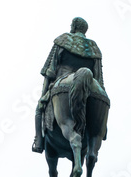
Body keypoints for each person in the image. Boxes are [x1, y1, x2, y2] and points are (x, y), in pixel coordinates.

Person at [33, 17, 106, 153]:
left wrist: (43, 96)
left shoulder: (63, 40)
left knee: (38, 111)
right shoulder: (94, 48)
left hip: (61, 81)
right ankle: (101, 130)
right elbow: (98, 80)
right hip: (90, 86)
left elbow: (50, 71)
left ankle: (39, 141)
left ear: (74, 27)